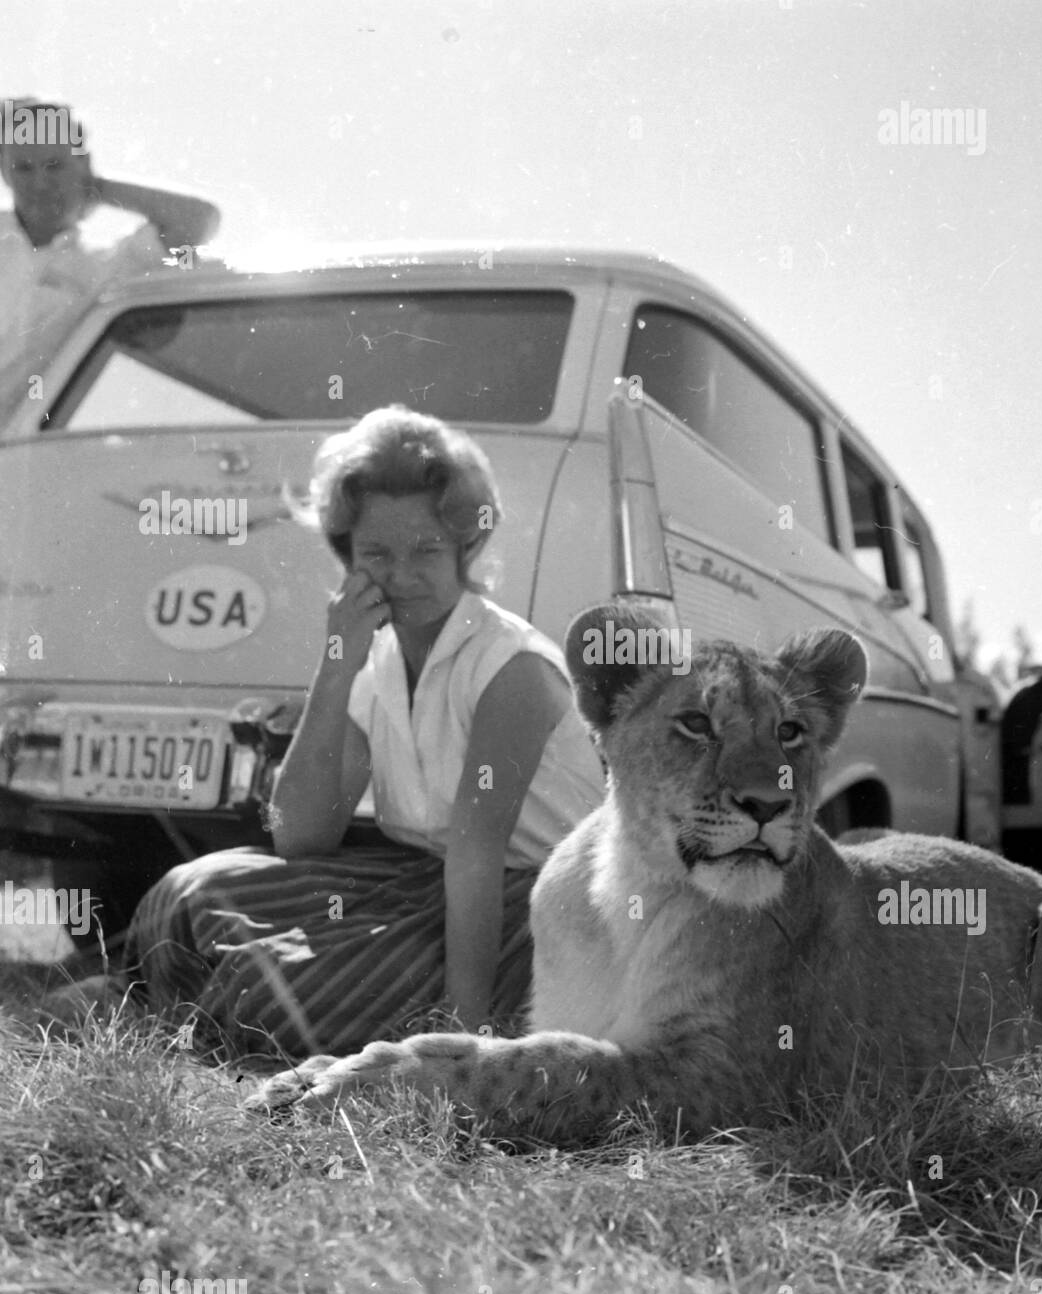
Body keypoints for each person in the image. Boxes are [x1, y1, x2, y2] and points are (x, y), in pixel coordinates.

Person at [50, 408, 606, 1057]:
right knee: (194, 886)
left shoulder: (509, 665)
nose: (401, 574)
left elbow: (475, 856)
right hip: (426, 884)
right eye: (376, 553)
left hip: (533, 907)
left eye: (426, 549)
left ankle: (159, 1011)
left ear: (467, 546)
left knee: (312, 986)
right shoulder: (378, 661)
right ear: (349, 556)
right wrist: (337, 664)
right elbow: (301, 835)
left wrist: (462, 1035)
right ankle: (151, 1003)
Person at [0, 96, 220, 408]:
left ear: (84, 165)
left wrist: (97, 187)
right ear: (4, 173)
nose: (40, 182)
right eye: (23, 168)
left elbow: (195, 219)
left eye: (54, 166)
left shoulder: (103, 270)